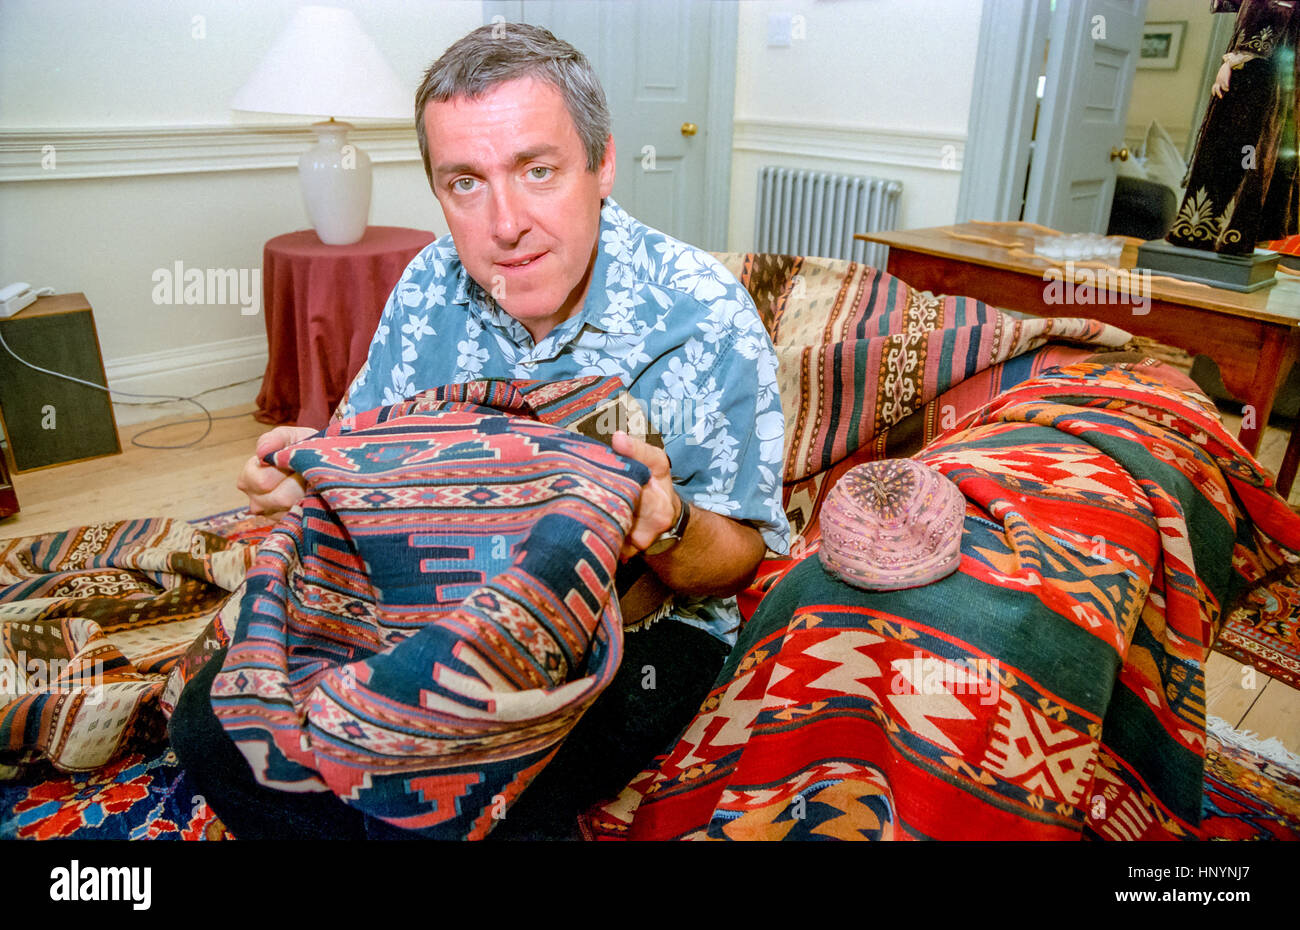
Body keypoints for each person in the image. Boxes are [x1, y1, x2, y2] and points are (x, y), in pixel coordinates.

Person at [173, 22, 789, 839]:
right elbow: (363, 456)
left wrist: (665, 524)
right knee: (213, 725)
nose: (504, 223)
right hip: (422, 602)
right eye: (465, 182)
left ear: (602, 166)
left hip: (641, 628)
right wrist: (306, 477)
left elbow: (739, 559)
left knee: (457, 777)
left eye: (538, 171)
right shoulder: (429, 282)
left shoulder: (701, 312)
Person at [1165, 0, 1298, 254]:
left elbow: (1273, 13)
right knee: (1239, 153)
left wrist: (1232, 62)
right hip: (1264, 78)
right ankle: (1219, 232)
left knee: (1228, 150)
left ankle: (1213, 232)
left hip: (1253, 78)